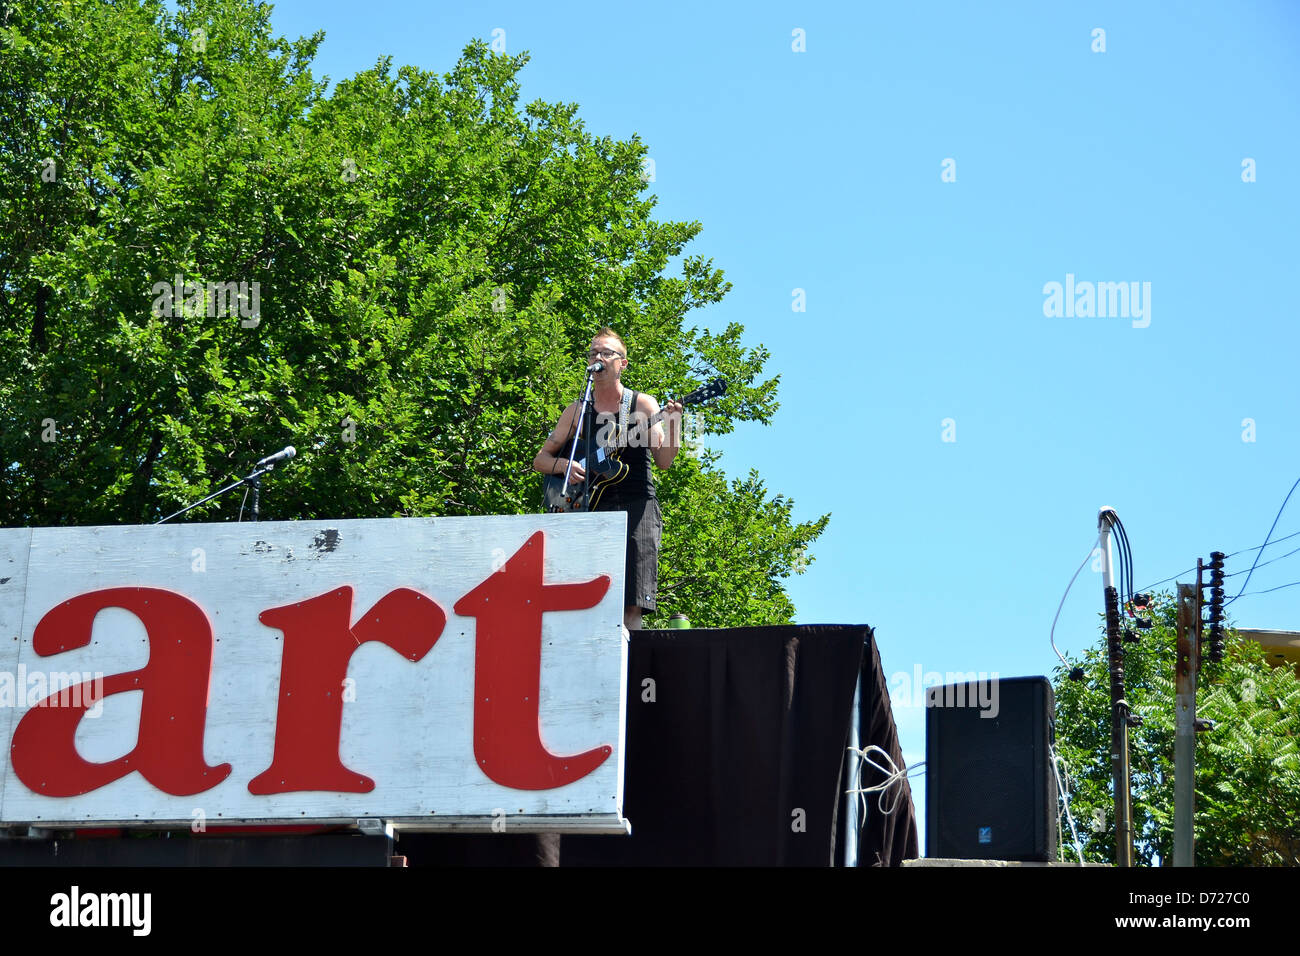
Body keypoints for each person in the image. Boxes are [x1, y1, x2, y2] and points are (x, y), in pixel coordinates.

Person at [533, 328, 683, 630]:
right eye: (593, 353)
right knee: (587, 597)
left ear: (622, 364)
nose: (597, 358)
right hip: (586, 508)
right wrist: (564, 465)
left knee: (632, 601)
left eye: (606, 353)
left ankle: (630, 672)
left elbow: (664, 461)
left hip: (636, 507)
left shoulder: (642, 405)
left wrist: (675, 423)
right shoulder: (575, 411)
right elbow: (540, 461)